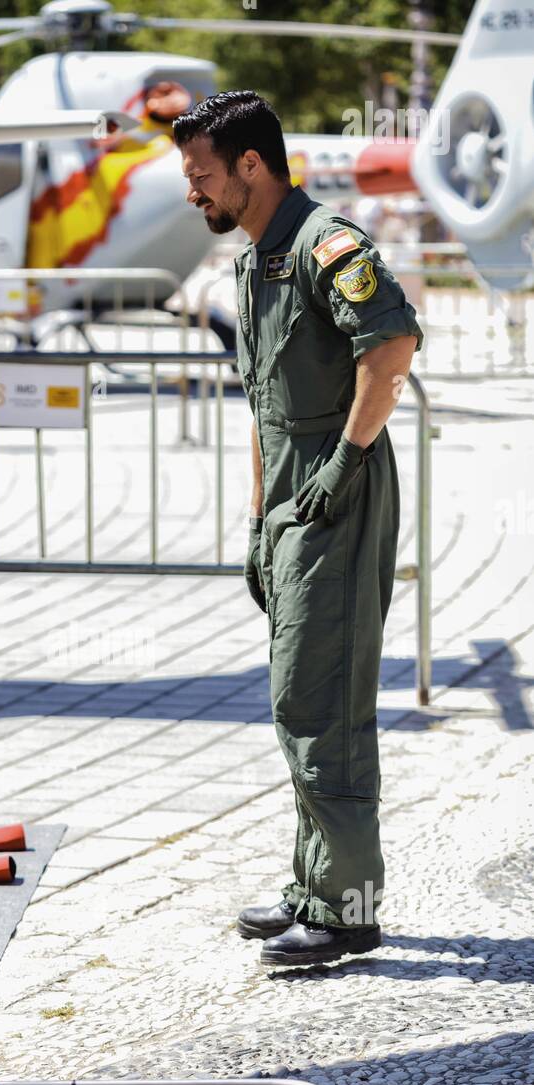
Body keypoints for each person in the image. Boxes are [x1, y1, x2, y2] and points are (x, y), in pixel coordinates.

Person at [173, 92, 423, 969]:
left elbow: (390, 351)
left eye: (202, 176)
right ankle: (316, 883)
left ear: (251, 165)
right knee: (296, 696)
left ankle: (350, 908)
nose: (194, 194)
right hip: (289, 493)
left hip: (336, 486)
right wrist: (256, 519)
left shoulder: (327, 244)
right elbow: (261, 406)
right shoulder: (256, 262)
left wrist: (348, 463)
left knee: (324, 703)